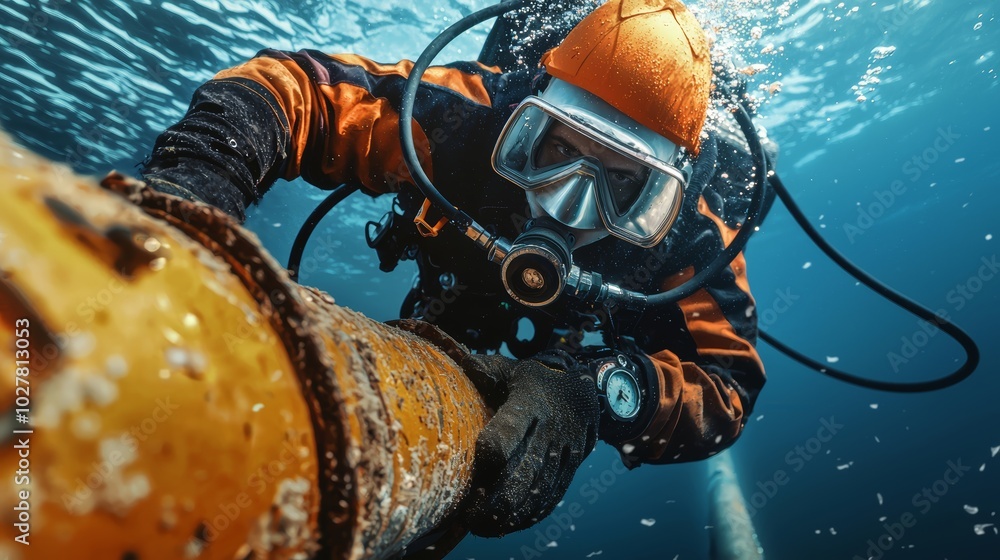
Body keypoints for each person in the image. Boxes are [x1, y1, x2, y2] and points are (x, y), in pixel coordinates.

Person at [140, 0, 766, 546]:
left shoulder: (691, 237)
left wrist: (595, 393)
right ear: (525, 119)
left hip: (572, 349)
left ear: (660, 200)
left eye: (622, 184)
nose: (569, 206)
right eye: (559, 151)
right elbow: (289, 87)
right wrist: (195, 197)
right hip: (451, 285)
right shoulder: (462, 117)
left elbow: (727, 387)